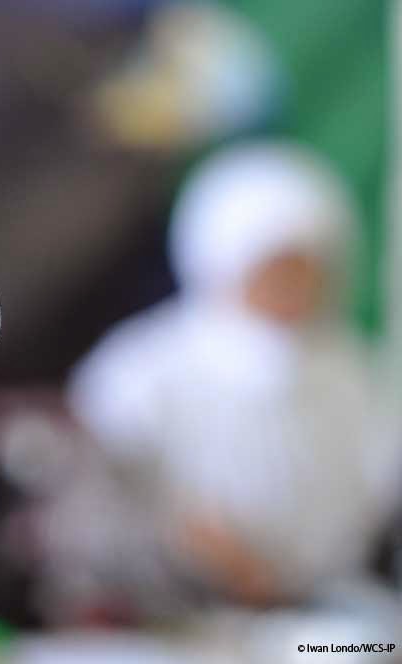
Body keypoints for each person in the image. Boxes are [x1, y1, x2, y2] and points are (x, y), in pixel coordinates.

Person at [69, 141, 401, 607]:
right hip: (164, 611)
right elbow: (97, 488)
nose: (292, 289)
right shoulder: (138, 371)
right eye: (273, 270)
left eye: (306, 268)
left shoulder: (354, 376)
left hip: (322, 617)